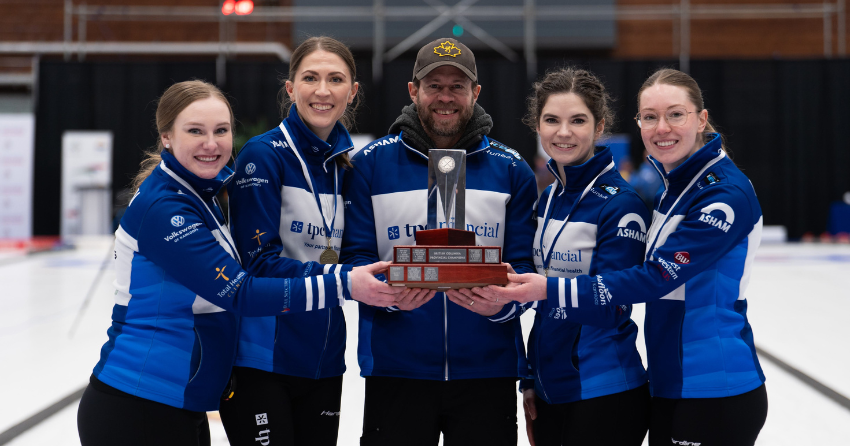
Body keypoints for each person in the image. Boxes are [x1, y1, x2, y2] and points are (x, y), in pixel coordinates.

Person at [76, 80, 401, 446]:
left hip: (180, 403)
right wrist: (344, 284)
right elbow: (239, 292)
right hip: (139, 403)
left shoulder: (201, 195)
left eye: (221, 130)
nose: (211, 144)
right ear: (166, 136)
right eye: (195, 131)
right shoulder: (166, 208)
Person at [480, 68, 768, 446]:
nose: (661, 127)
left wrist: (546, 290)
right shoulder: (674, 188)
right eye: (650, 117)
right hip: (666, 385)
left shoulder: (723, 195)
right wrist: (533, 377)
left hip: (713, 383)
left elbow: (652, 279)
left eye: (675, 114)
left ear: (701, 120)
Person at [218, 37, 432, 446]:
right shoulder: (263, 157)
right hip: (263, 359)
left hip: (325, 360)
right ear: (290, 87)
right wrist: (349, 280)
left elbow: (357, 254)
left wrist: (396, 281)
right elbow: (258, 264)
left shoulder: (347, 165)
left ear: (352, 92)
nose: (322, 91)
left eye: (335, 79)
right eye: (310, 78)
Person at [341, 37, 538, 446]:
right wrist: (388, 295)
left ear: (475, 93)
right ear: (413, 90)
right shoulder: (370, 165)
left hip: (488, 370)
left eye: (457, 86)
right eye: (434, 85)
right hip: (397, 370)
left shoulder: (512, 169)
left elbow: (525, 267)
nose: (445, 97)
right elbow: (356, 257)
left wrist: (502, 306)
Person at [505, 67, 651, 445]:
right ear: (537, 127)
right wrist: (530, 380)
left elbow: (612, 304)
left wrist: (545, 289)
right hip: (553, 388)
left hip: (604, 391)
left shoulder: (621, 205)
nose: (563, 132)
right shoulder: (549, 199)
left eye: (578, 120)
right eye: (551, 120)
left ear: (599, 126)